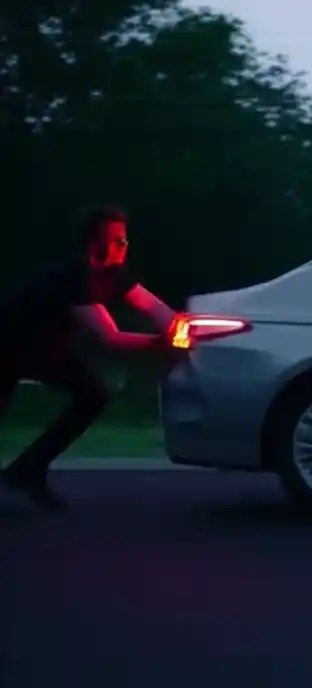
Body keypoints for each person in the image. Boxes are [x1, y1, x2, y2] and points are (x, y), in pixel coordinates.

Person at [0, 205, 179, 512]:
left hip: (44, 350)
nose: (125, 246)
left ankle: (27, 469)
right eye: (117, 240)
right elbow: (110, 337)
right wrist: (166, 344)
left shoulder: (115, 275)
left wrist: (189, 329)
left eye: (125, 239)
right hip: (6, 345)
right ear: (95, 245)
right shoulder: (76, 276)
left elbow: (160, 311)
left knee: (93, 394)